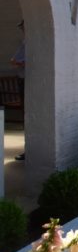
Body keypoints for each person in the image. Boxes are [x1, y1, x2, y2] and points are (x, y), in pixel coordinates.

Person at [10, 20, 25, 161]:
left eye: (23, 27)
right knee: (26, 115)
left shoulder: (31, 42)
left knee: (28, 114)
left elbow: (16, 61)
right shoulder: (25, 42)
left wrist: (21, 63)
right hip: (23, 81)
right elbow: (13, 60)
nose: (22, 30)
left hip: (29, 82)